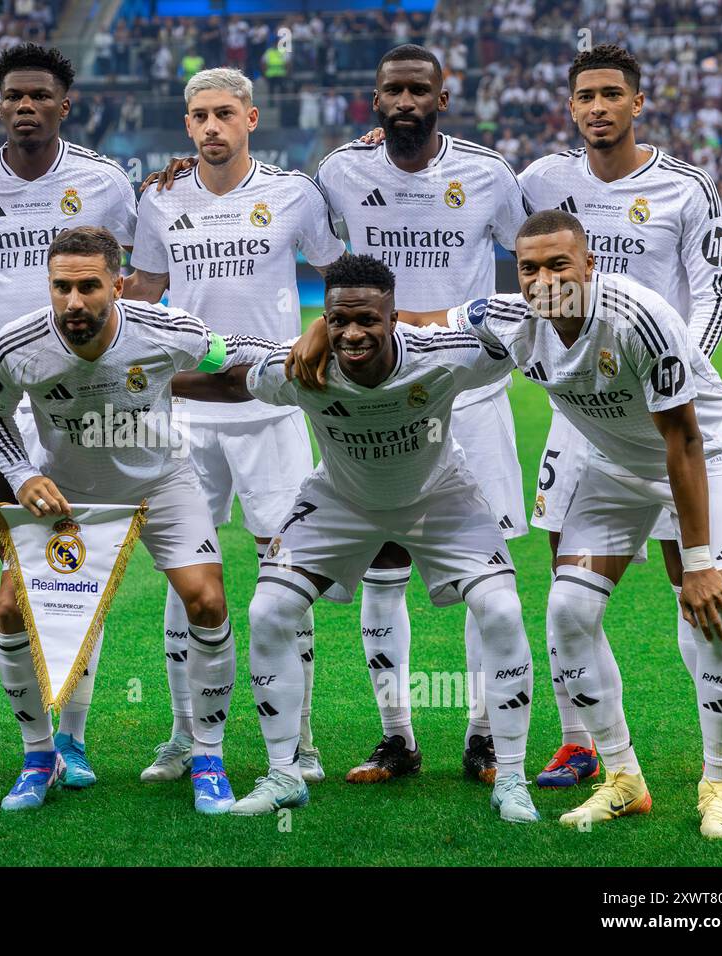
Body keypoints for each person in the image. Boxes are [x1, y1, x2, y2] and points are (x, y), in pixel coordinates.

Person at [174, 253, 539, 822]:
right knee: (270, 610)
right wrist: (136, 385)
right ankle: (284, 773)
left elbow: (521, 321)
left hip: (439, 496)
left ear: (394, 317)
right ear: (325, 317)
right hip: (340, 500)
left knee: (502, 609)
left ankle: (511, 777)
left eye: (368, 320)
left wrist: (445, 313)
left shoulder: (444, 357)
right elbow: (228, 377)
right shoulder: (302, 368)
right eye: (338, 320)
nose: (351, 333)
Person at [440, 210, 722, 840]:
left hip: (705, 458)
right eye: (530, 268)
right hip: (614, 467)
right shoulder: (511, 321)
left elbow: (685, 439)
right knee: (567, 611)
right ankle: (623, 778)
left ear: (590, 264)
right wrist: (330, 336)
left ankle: (718, 783)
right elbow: (427, 327)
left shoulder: (637, 316)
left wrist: (696, 567)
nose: (544, 280)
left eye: (560, 264)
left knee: (713, 608)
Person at [517, 44, 722, 792]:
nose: (597, 107)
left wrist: (670, 378)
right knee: (569, 579)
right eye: (584, 95)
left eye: (611, 94)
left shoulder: (687, 187)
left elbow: (712, 292)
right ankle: (580, 739)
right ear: (571, 107)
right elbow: (460, 197)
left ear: (638, 102)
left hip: (661, 398)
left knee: (694, 573)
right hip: (581, 410)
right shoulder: (541, 181)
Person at [291, 44, 533, 785]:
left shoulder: (489, 174)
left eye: (417, 90)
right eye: (391, 89)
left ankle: (485, 736)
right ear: (375, 100)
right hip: (376, 399)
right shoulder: (338, 171)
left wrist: (437, 320)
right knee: (381, 567)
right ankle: (396, 736)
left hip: (469, 394)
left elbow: (527, 265)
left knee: (486, 576)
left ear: (442, 96)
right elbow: (314, 251)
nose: (404, 101)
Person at [0, 225, 274, 815]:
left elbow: (231, 352)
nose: (74, 301)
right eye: (61, 287)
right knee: (10, 610)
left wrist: (298, 351)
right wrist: (19, 474)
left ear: (118, 284)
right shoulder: (16, 345)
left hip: (161, 482)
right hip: (68, 494)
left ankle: (207, 757)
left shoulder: (168, 328)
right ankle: (40, 757)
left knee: (207, 601)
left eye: (89, 286)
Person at [0, 43, 137, 787]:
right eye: (13, 94)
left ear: (63, 105)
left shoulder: (106, 183)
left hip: (78, 409)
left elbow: (128, 286)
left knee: (74, 568)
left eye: (40, 96)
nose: (25, 106)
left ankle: (68, 737)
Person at [123, 67, 344, 784]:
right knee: (184, 578)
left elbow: (343, 280)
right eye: (199, 116)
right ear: (187, 126)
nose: (212, 126)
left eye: (225, 113)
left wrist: (316, 335)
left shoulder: (294, 194)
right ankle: (185, 735)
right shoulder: (158, 200)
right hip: (185, 419)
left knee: (285, 577)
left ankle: (301, 742)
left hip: (273, 414)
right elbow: (144, 298)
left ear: (252, 119)